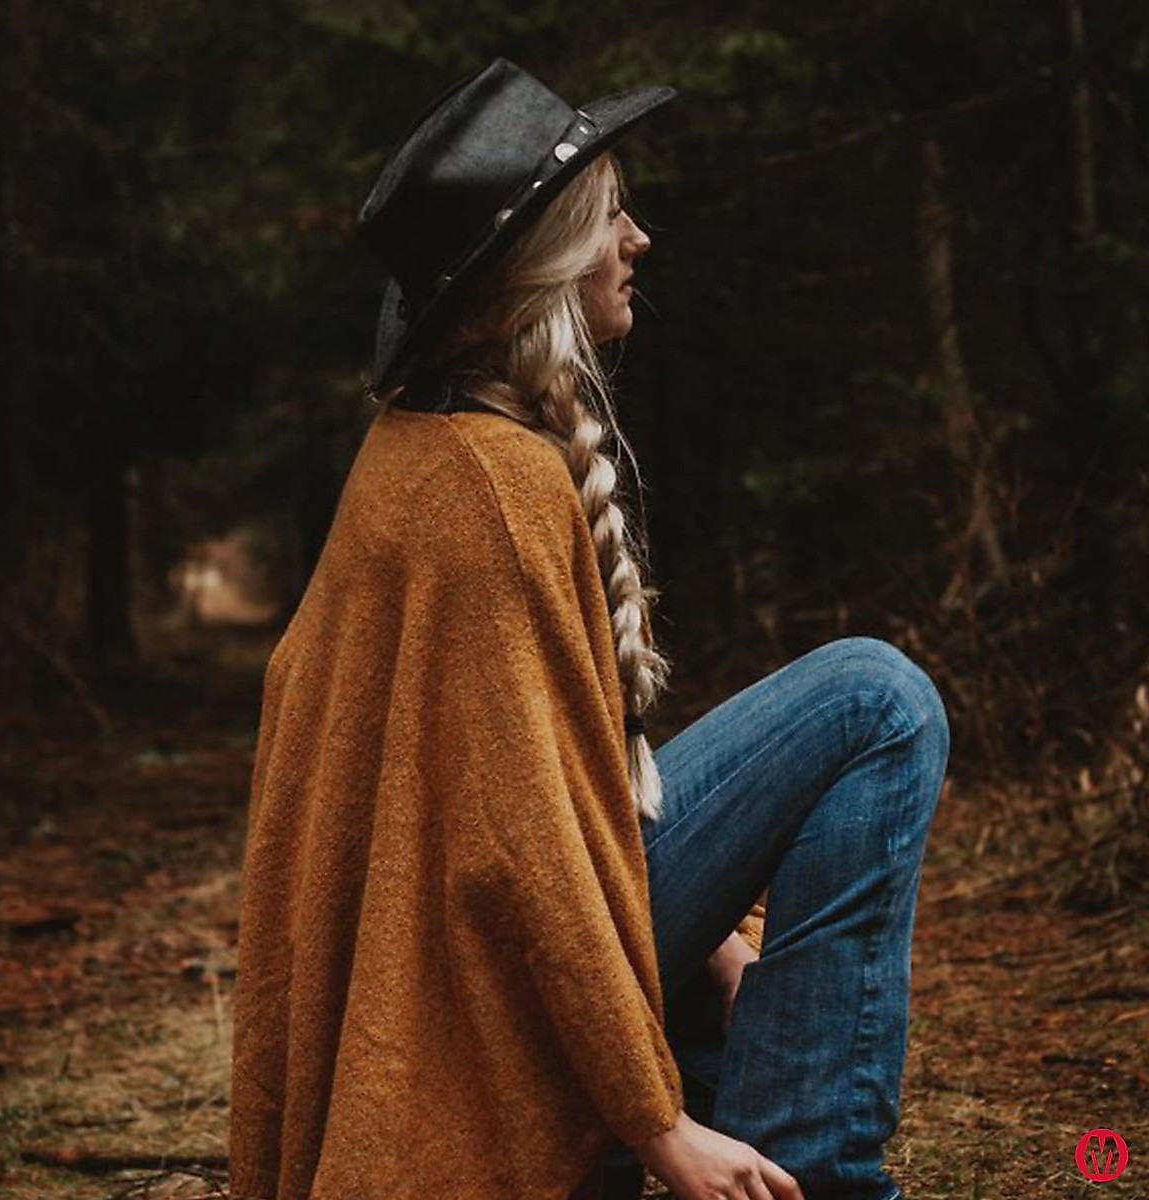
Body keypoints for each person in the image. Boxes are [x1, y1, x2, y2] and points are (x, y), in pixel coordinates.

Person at [228, 58, 949, 1200]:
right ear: (548, 260)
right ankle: (815, 1175)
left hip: (459, 968)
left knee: (865, 702)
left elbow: (561, 790)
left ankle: (753, 1087)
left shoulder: (427, 446)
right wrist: (659, 1125)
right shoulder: (489, 489)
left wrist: (711, 943)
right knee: (877, 701)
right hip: (477, 991)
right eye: (613, 213)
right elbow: (529, 854)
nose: (639, 239)